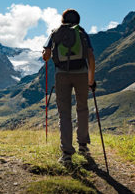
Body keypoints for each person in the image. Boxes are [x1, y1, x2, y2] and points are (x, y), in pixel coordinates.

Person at [42, 9, 96, 164]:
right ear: (78, 20)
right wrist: (91, 81)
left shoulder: (55, 33)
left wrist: (45, 54)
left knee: (64, 113)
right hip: (81, 74)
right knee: (82, 109)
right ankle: (83, 146)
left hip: (62, 75)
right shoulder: (82, 33)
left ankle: (66, 154)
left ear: (62, 19)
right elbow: (91, 57)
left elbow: (46, 56)